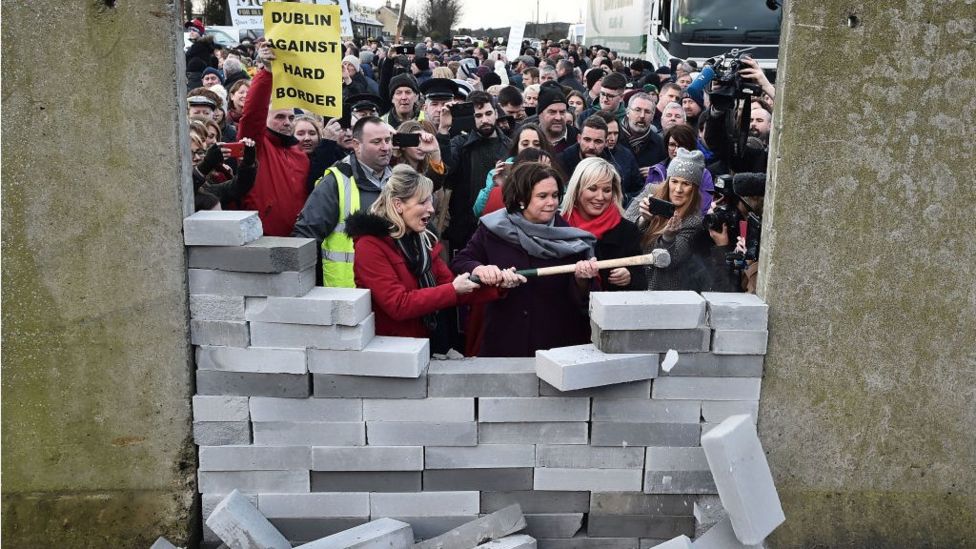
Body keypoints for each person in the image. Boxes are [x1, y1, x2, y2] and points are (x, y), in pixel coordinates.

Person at [452, 162, 599, 357]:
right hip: (504, 340)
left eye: (555, 195)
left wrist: (582, 280)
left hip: (557, 345)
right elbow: (462, 261)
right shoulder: (493, 229)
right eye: (542, 196)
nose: (552, 203)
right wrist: (480, 269)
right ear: (521, 198)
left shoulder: (571, 239)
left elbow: (584, 300)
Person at [345, 165, 498, 351]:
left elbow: (452, 287)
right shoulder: (370, 246)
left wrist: (498, 284)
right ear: (398, 205)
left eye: (430, 201)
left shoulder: (423, 240)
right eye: (423, 202)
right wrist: (453, 289)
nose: (431, 209)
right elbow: (398, 304)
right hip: (392, 353)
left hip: (426, 345)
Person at [292, 117, 394, 287]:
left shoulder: (397, 179)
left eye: (388, 140)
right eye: (376, 142)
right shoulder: (336, 181)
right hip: (349, 290)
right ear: (356, 144)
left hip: (390, 289)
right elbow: (305, 235)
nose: (385, 147)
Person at [236, 43, 310, 236]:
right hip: (263, 239)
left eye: (291, 118)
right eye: (279, 117)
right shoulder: (257, 147)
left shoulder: (301, 155)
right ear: (266, 118)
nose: (287, 123)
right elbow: (252, 115)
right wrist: (267, 72)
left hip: (298, 240)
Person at [437, 90, 511, 252]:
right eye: (478, 116)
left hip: (503, 228)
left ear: (496, 113)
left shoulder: (510, 145)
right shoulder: (460, 144)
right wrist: (443, 129)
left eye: (488, 113)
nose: (485, 120)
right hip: (465, 231)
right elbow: (444, 170)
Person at [561, 157, 646, 290]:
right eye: (593, 189)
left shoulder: (627, 231)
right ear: (577, 189)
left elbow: (642, 279)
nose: (600, 197)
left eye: (606, 190)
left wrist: (630, 276)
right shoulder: (558, 227)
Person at [637, 147, 709, 290]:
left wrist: (668, 237)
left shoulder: (694, 221)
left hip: (661, 288)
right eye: (674, 181)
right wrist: (643, 220)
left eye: (686, 184)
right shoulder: (650, 192)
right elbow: (624, 225)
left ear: (694, 189)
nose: (678, 189)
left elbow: (671, 259)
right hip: (634, 279)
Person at [627, 124, 715, 218]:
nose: (676, 150)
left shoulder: (703, 174)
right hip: (653, 223)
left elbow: (703, 209)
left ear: (691, 147)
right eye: (672, 145)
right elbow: (638, 207)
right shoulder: (656, 170)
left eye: (682, 145)